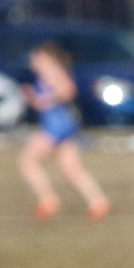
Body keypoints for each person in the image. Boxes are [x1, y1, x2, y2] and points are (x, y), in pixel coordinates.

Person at [18, 42, 110, 221]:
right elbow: (45, 101)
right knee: (72, 169)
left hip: (57, 126)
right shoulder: (45, 75)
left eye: (36, 58)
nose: (32, 61)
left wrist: (47, 99)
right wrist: (34, 98)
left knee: (27, 161)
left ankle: (48, 200)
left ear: (45, 58)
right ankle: (99, 202)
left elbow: (68, 90)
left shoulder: (52, 72)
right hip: (64, 125)